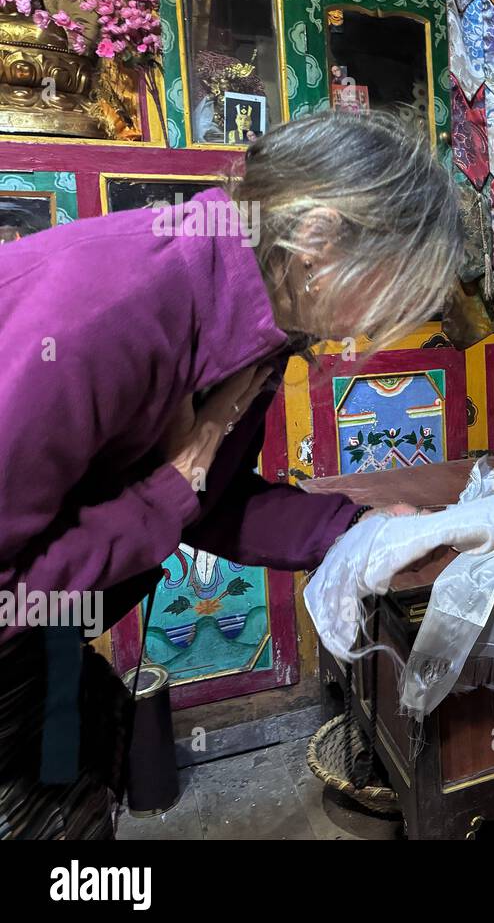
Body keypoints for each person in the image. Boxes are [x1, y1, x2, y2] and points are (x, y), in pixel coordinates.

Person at [0, 108, 462, 837]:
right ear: (318, 238)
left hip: (44, 640)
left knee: (83, 789)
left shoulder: (256, 315)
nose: (379, 325)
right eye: (389, 285)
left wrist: (360, 529)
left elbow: (209, 500)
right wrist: (163, 498)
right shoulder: (105, 313)